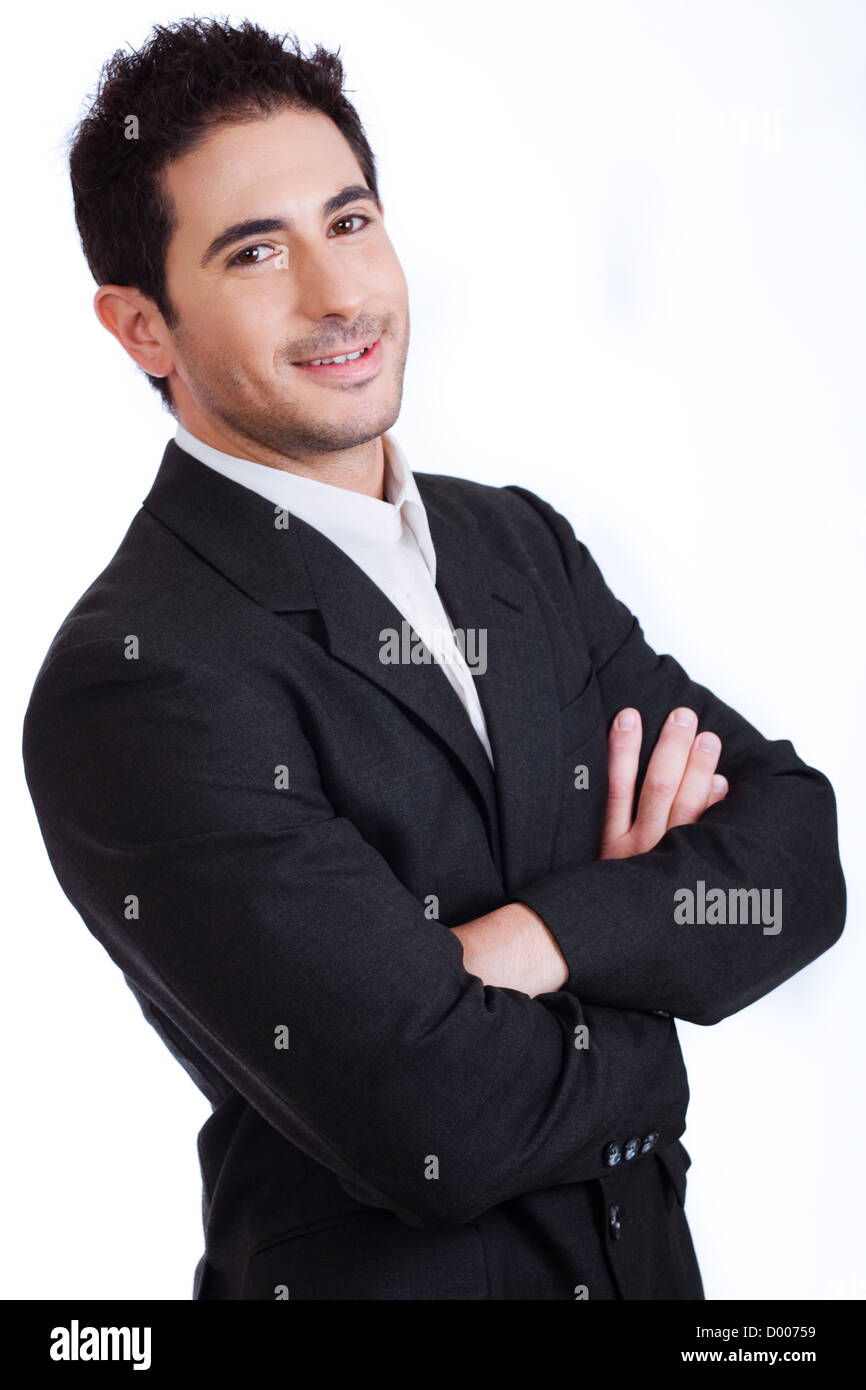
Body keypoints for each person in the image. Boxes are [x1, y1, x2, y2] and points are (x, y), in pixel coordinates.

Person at [22, 17, 845, 1300]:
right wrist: (656, 998)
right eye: (256, 252)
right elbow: (435, 1121)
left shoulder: (511, 543)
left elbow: (793, 857)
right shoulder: (141, 676)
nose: (339, 294)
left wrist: (531, 939)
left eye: (349, 223)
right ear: (141, 326)